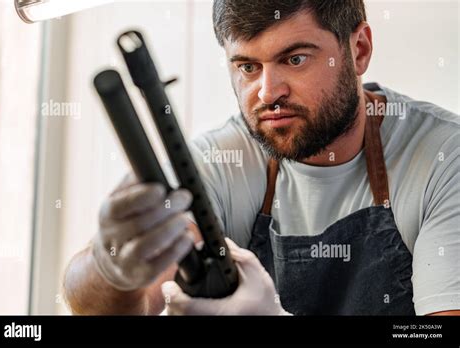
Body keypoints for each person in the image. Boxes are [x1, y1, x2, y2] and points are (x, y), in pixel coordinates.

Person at [63, 0, 460, 315]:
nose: (268, 93)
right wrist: (110, 267)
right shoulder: (222, 161)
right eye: (249, 67)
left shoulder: (443, 158)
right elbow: (113, 304)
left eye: (295, 59)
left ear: (358, 50)